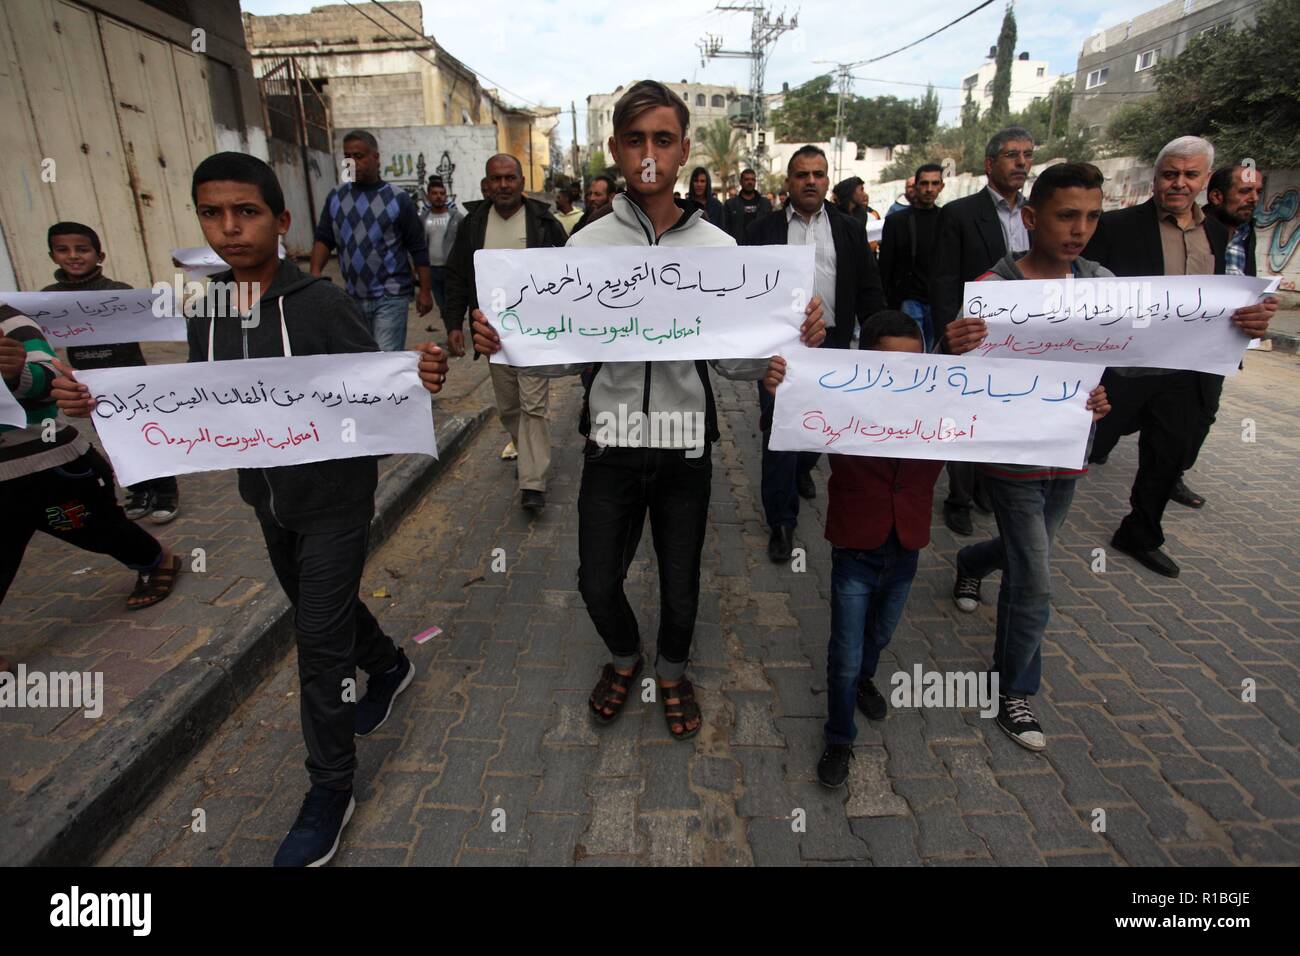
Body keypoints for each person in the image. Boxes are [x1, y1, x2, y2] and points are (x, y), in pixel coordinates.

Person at [55, 152, 450, 867]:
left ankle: (331, 789)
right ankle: (390, 665)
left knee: (317, 643)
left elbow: (379, 389)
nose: (229, 228)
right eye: (212, 213)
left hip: (335, 501)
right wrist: (99, 400)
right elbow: (191, 395)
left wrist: (421, 376)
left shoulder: (325, 306)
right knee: (316, 610)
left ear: (282, 221)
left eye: (247, 212)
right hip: (264, 500)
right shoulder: (207, 306)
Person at [470, 80, 825, 740]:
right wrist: (505, 343)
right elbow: (560, 355)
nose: (650, 153)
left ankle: (671, 670)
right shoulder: (585, 248)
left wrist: (787, 344)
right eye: (636, 140)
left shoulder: (721, 251)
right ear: (616, 149)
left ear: (685, 148)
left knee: (682, 584)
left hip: (687, 441)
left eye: (663, 139)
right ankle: (625, 655)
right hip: (611, 438)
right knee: (596, 580)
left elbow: (734, 359)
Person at [944, 162, 1113, 752]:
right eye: (1068, 215)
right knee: (1035, 580)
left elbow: (1131, 353)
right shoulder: (995, 289)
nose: (1080, 230)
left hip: (1070, 455)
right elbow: (957, 374)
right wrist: (954, 344)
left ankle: (970, 560)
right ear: (1033, 217)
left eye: (1092, 216)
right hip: (1013, 457)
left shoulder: (1100, 284)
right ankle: (1013, 690)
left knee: (1026, 552)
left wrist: (1103, 394)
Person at [1083, 136, 1275, 578]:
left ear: (1206, 181)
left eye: (1190, 175)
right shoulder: (1116, 226)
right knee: (1087, 445)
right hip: (1123, 368)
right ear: (1156, 177)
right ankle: (1030, 520)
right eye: (1170, 174)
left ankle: (1140, 533)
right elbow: (1080, 290)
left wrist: (1256, 316)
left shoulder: (1218, 232)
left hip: (1189, 369)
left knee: (1168, 454)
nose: (1178, 183)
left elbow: (1240, 293)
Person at [768, 311, 944, 787]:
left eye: (912, 363)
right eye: (887, 362)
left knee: (880, 636)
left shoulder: (941, 405)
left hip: (906, 547)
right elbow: (795, 414)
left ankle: (866, 677)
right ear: (865, 360)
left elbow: (1006, 425)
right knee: (843, 653)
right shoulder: (841, 401)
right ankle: (839, 737)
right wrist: (780, 388)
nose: (900, 374)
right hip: (855, 549)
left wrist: (1075, 408)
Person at [743, 144, 885, 563]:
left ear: (826, 180)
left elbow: (867, 288)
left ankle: (804, 466)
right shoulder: (762, 231)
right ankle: (781, 521)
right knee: (778, 431)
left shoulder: (848, 229)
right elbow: (746, 293)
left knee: (820, 432)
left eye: (818, 174)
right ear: (788, 183)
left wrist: (881, 342)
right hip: (779, 350)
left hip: (834, 347)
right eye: (801, 174)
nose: (810, 181)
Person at [3, 305, 180, 625]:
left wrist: (17, 373)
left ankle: (157, 560)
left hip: (46, 466)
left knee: (104, 531)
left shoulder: (9, 322)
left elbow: (54, 377)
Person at [444, 154, 569, 513]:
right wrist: (454, 323)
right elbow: (455, 275)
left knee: (533, 405)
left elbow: (567, 272)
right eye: (496, 179)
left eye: (509, 178)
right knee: (510, 408)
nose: (503, 185)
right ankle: (527, 450)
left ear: (521, 180)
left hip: (533, 334)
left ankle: (533, 483)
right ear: (488, 183)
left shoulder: (544, 222)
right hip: (492, 336)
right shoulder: (474, 224)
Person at [928, 126, 1035, 537]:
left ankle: (991, 484)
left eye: (1027, 154)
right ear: (990, 163)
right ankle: (959, 497)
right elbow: (943, 280)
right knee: (966, 414)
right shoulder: (959, 213)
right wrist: (948, 337)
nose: (1021, 162)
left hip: (1025, 339)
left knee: (1005, 412)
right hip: (972, 336)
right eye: (1012, 155)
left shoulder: (1036, 213)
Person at [42, 222, 180, 524]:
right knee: (115, 440)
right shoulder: (48, 298)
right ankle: (139, 491)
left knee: (149, 433)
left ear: (99, 255)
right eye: (63, 250)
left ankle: (166, 491)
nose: (74, 256)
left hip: (130, 380)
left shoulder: (119, 292)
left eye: (82, 249)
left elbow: (150, 323)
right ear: (53, 256)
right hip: (89, 383)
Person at [1172, 163, 1264, 508]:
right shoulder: (1195, 230)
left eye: (1256, 192)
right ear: (1216, 196)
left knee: (1202, 410)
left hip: (1220, 344)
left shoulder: (1246, 231)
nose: (1252, 199)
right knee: (1135, 401)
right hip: (1179, 338)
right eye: (1244, 191)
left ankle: (1173, 474)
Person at [310, 129, 433, 351]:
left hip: (391, 294)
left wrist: (425, 290)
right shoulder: (336, 197)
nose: (352, 162)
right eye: (347, 156)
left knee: (384, 359)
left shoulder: (397, 199)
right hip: (353, 296)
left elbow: (417, 246)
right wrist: (315, 274)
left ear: (375, 158)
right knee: (362, 357)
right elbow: (324, 238)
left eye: (359, 156)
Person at [878, 164, 944, 349]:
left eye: (934, 183)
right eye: (924, 183)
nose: (929, 189)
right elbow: (885, 265)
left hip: (937, 299)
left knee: (934, 350)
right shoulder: (896, 221)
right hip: (908, 298)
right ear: (916, 186)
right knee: (911, 350)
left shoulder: (947, 219)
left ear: (941, 186)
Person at [420, 176, 463, 336]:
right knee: (442, 305)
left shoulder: (456, 218)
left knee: (453, 304)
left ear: (446, 195)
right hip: (433, 270)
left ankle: (454, 332)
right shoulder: (424, 218)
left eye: (441, 193)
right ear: (428, 196)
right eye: (434, 193)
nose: (438, 196)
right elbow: (419, 244)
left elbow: (464, 241)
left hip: (451, 269)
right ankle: (451, 332)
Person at [723, 168, 772, 243]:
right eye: (747, 179)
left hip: (761, 248)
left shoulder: (765, 203)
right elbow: (725, 229)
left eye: (752, 180)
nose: (750, 182)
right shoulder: (730, 204)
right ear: (741, 182)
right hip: (738, 248)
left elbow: (771, 227)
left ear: (755, 182)